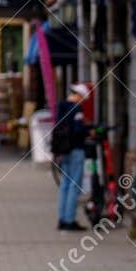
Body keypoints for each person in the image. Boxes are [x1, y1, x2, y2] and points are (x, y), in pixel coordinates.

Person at [53, 81, 91, 231]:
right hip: (76, 149)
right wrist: (88, 131)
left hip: (63, 150)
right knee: (74, 185)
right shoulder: (77, 108)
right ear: (79, 95)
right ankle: (70, 220)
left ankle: (62, 218)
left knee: (65, 185)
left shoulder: (61, 107)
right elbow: (78, 129)